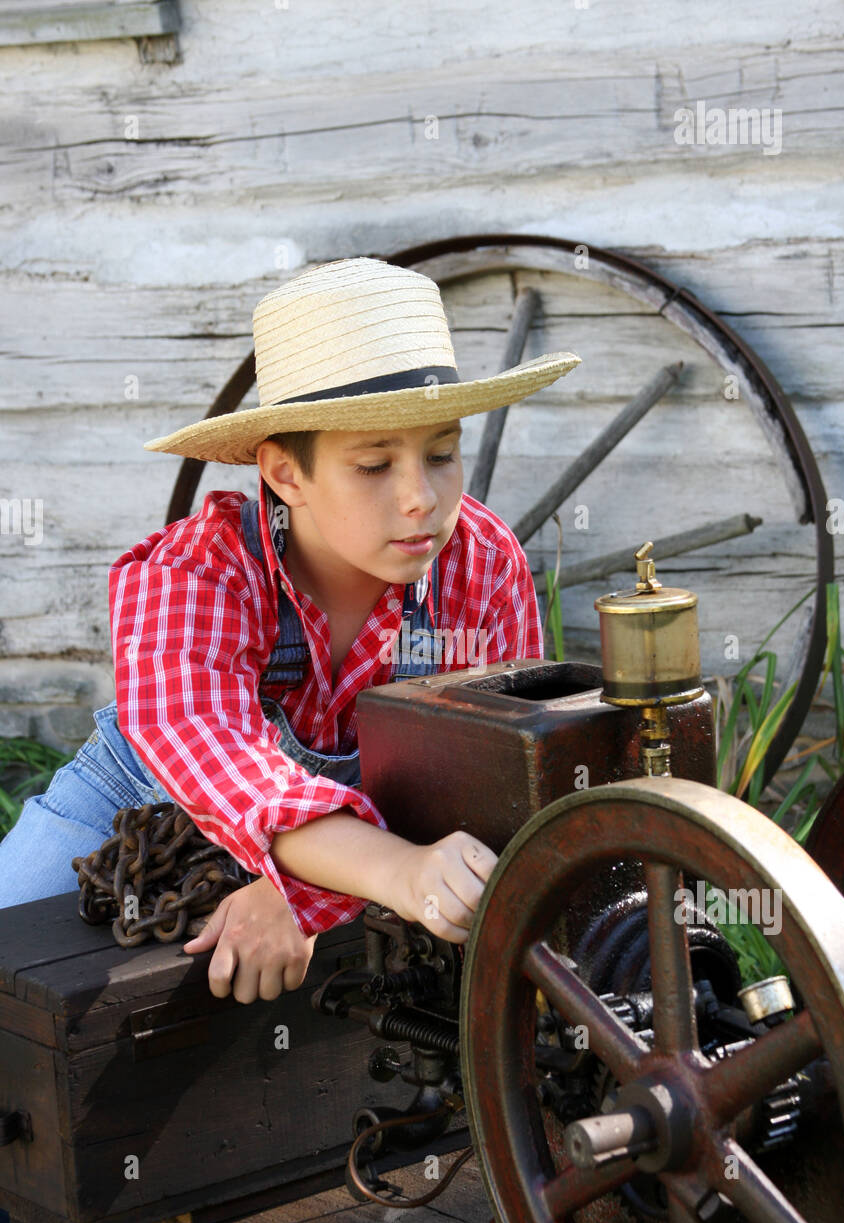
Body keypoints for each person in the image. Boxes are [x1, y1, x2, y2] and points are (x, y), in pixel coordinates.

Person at [0, 256, 580, 1006]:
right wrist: (373, 873)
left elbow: (488, 779)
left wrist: (305, 892)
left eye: (442, 453)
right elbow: (224, 763)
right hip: (138, 803)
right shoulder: (192, 574)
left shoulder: (483, 568)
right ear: (284, 474)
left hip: (366, 839)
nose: (422, 498)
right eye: (374, 464)